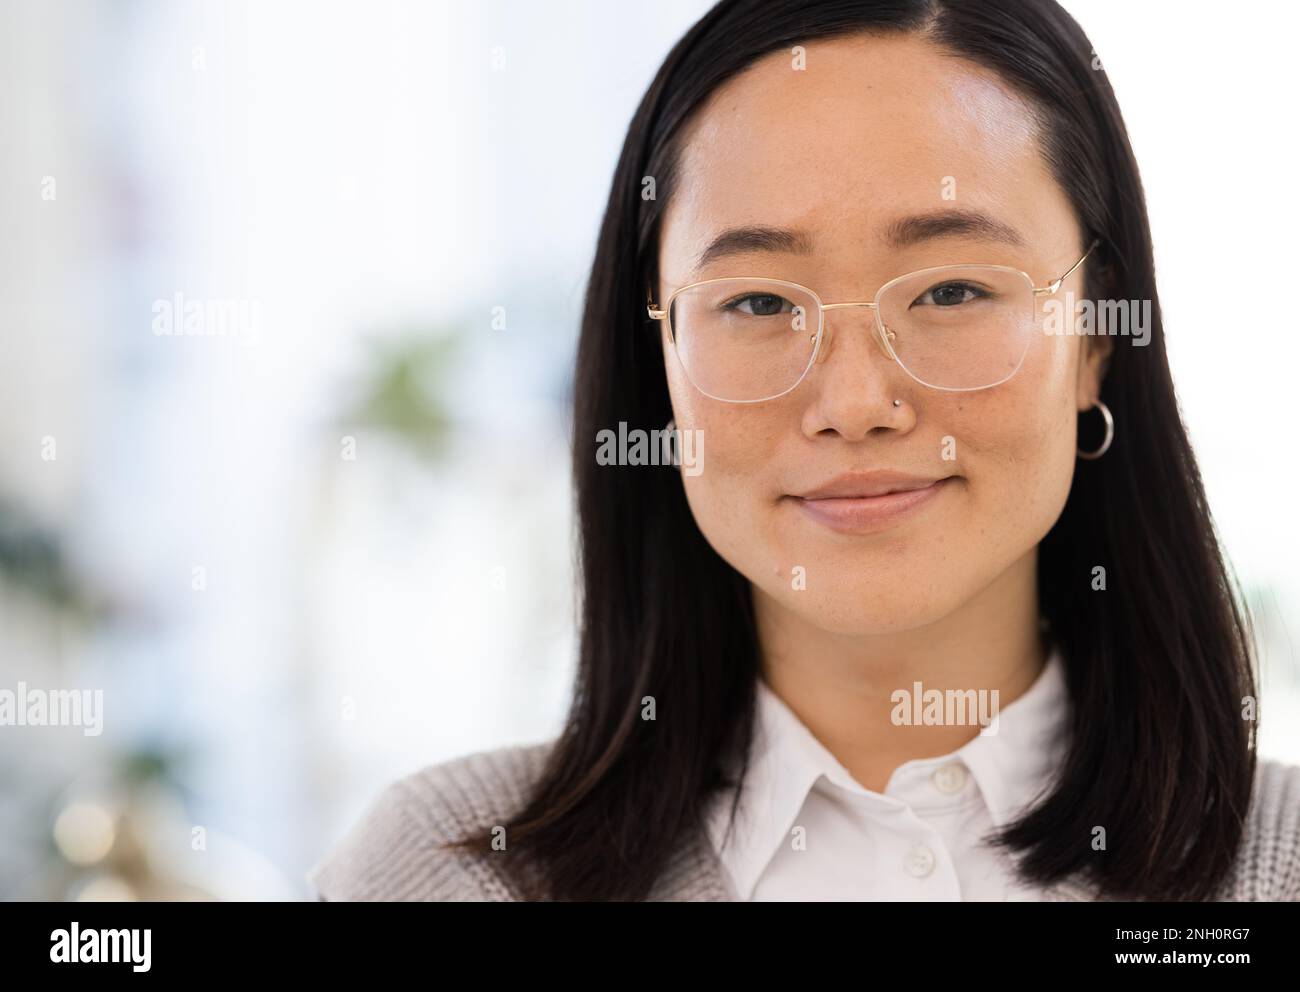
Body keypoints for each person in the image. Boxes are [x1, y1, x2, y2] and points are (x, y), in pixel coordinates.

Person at [309, 0, 1300, 902]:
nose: (855, 402)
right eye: (757, 302)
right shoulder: (437, 870)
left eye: (952, 290)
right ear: (657, 354)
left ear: (1094, 336)